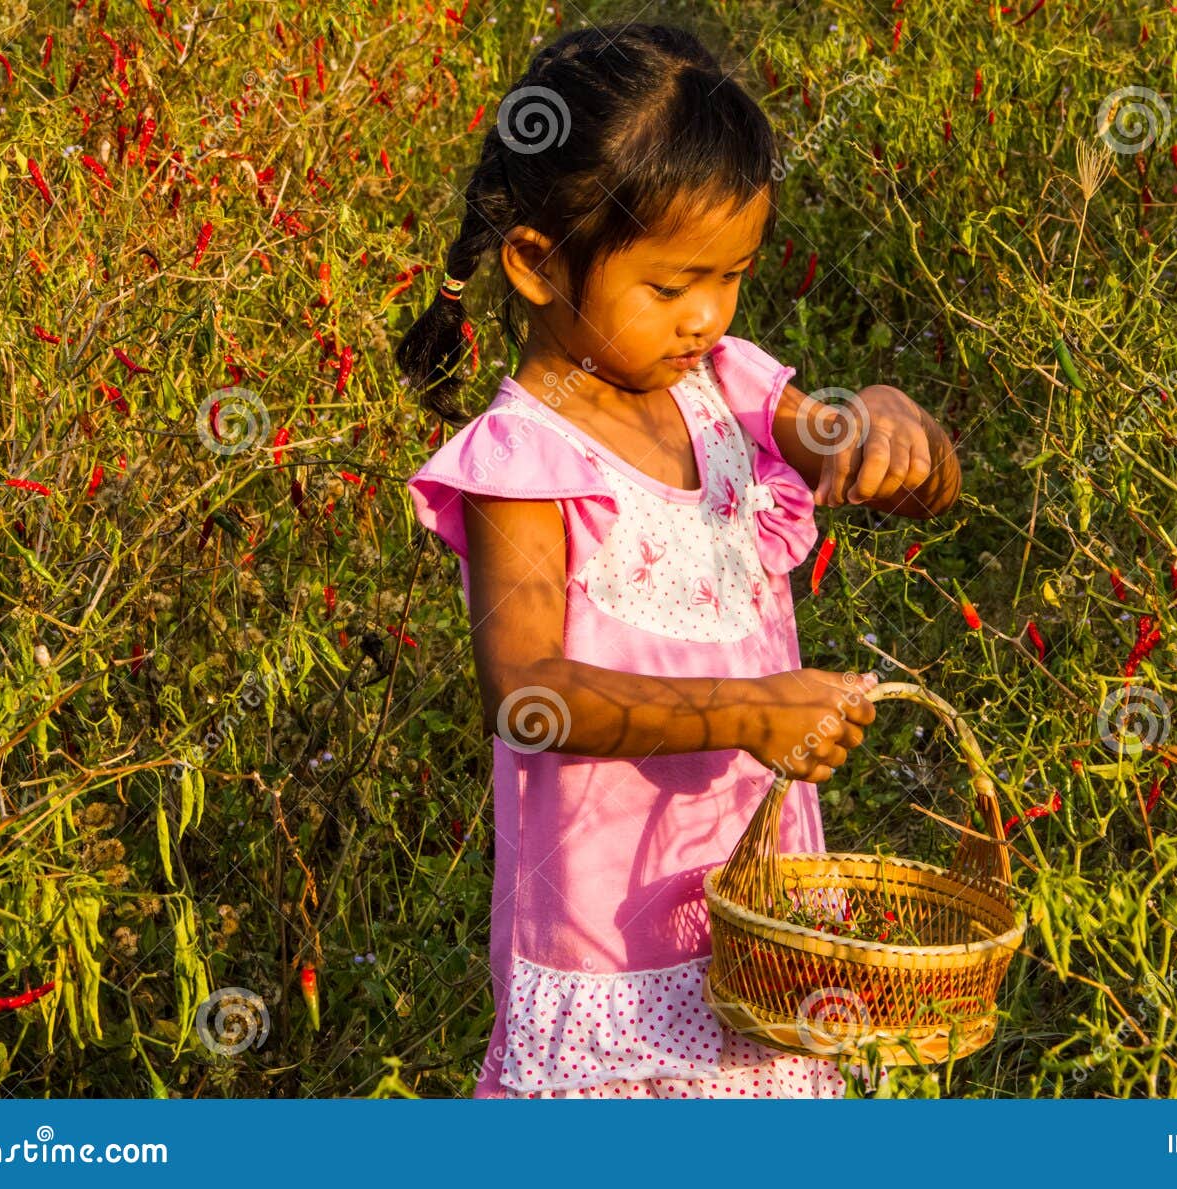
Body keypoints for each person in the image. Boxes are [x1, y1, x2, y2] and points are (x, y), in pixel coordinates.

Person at [400, 23, 961, 1099]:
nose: (705, 316)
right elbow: (527, 695)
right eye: (668, 287)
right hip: (608, 946)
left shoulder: (729, 388)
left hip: (761, 921)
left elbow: (871, 454)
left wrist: (891, 419)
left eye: (731, 277)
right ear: (535, 263)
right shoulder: (523, 462)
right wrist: (749, 712)